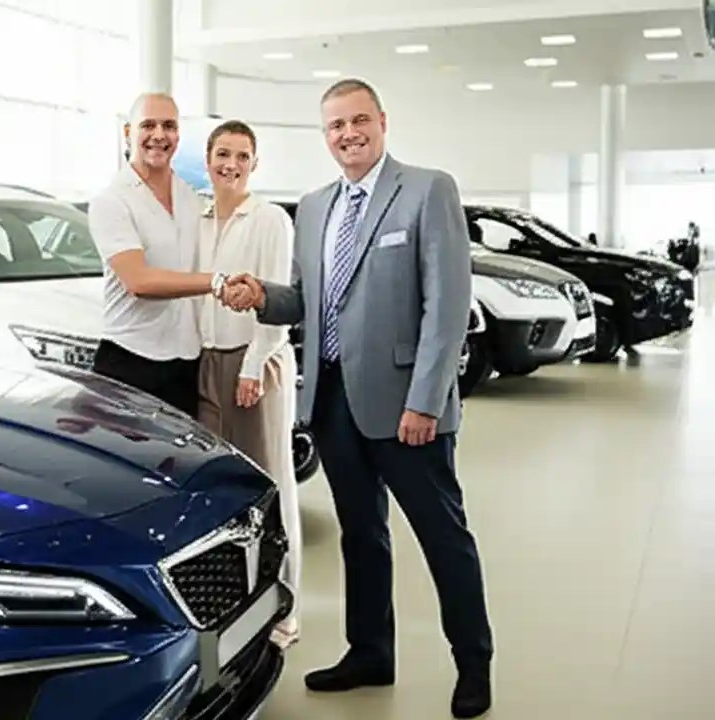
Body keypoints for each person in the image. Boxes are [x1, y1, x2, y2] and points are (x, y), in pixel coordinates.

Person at [222, 78, 494, 719]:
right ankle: (370, 651)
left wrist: (426, 401)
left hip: (407, 408)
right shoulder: (313, 206)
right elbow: (308, 303)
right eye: (335, 126)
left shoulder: (428, 189)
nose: (348, 134)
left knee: (442, 537)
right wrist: (260, 293)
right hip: (334, 402)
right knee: (361, 536)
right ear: (325, 136)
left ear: (381, 121)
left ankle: (473, 662)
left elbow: (447, 308)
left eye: (358, 120)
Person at [192, 119, 302, 646]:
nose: (230, 164)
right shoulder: (198, 216)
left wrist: (254, 365)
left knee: (270, 487)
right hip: (206, 362)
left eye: (241, 155)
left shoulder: (271, 220)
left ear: (254, 164)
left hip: (254, 362)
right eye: (222, 154)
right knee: (219, 495)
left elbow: (278, 301)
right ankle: (231, 607)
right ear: (208, 158)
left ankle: (285, 606)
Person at [86, 92, 233, 419]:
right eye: (148, 125)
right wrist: (216, 283)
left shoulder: (190, 197)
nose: (159, 135)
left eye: (169, 126)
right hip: (130, 362)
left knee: (180, 467)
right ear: (128, 132)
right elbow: (138, 281)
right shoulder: (112, 201)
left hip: (185, 362)